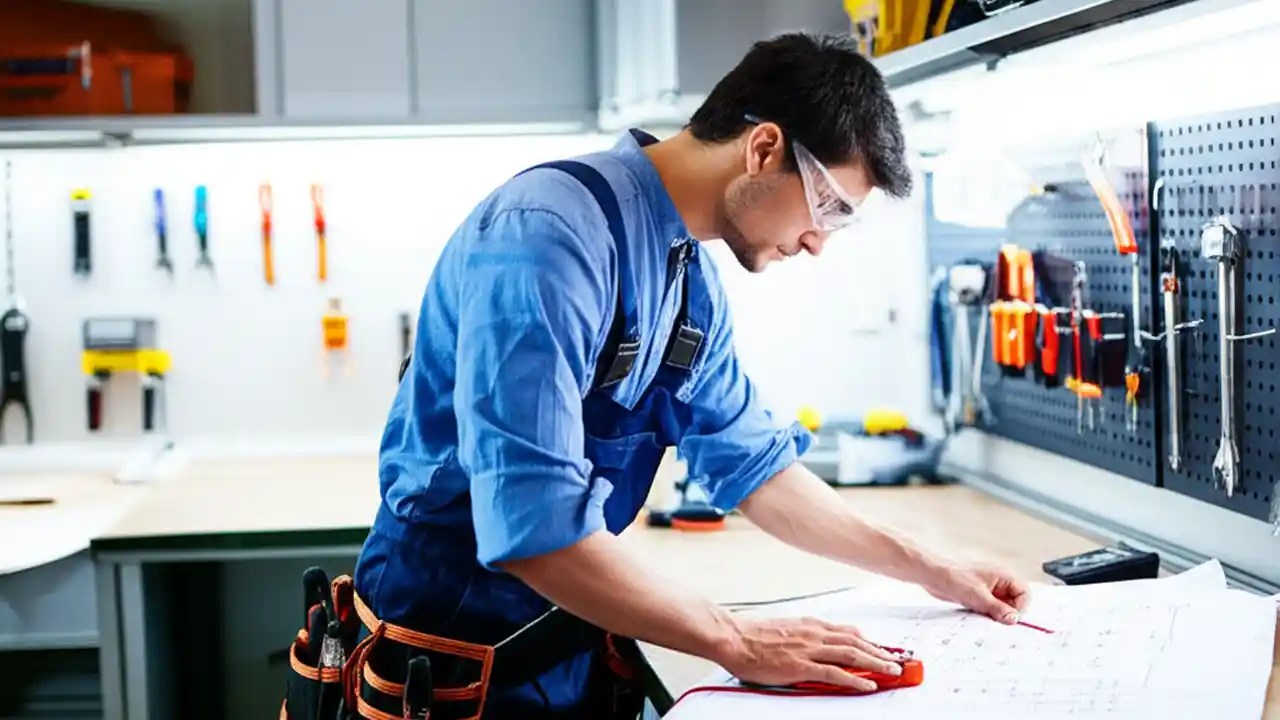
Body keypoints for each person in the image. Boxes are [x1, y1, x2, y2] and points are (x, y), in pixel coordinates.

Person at [349, 31, 1030, 719]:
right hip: (445, 665)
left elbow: (757, 469)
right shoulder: (548, 236)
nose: (819, 241)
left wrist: (931, 567)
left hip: (562, 643)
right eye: (827, 207)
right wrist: (735, 639)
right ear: (763, 147)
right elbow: (533, 526)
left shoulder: (688, 281)